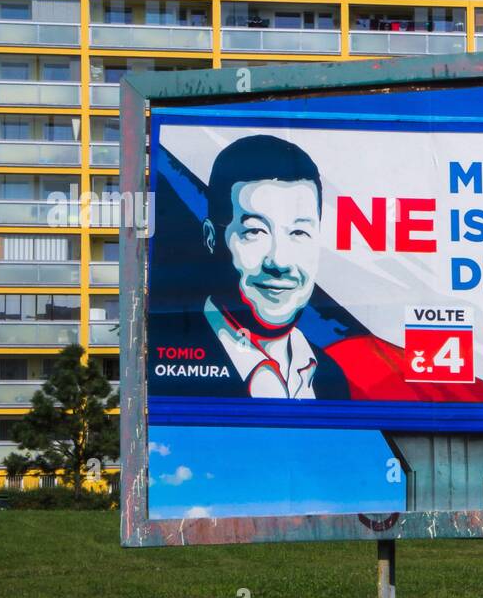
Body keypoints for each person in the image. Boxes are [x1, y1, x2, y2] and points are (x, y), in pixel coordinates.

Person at [149, 134, 350, 399]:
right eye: (255, 231)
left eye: (299, 233)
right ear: (211, 237)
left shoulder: (331, 378)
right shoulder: (169, 358)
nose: (279, 262)